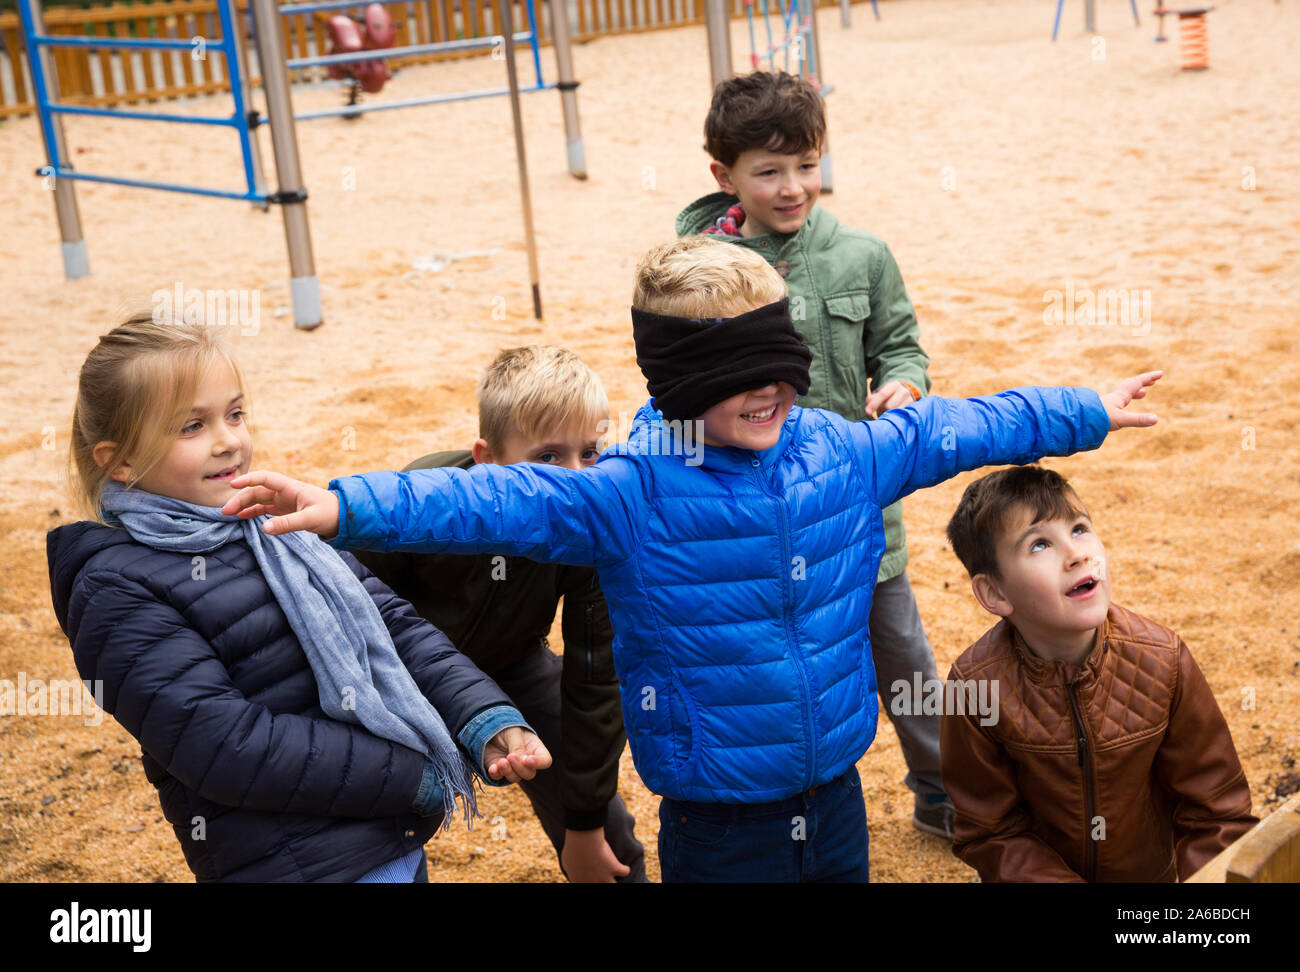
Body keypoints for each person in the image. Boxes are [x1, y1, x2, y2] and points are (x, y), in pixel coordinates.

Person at [221, 238, 1163, 882]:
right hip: (717, 812)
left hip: (833, 781)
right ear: (676, 385)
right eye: (731, 376)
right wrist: (347, 504)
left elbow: (962, 425)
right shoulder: (632, 490)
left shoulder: (843, 450)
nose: (766, 391)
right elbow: (493, 498)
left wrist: (1085, 409)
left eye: (778, 366)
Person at [47, 312, 549, 883]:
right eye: (192, 427)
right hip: (294, 863)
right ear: (119, 460)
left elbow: (392, 628)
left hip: (386, 837)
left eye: (235, 414)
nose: (229, 440)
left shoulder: (270, 524)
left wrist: (484, 715)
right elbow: (225, 746)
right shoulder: (114, 587)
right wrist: (412, 776)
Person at [678, 70, 951, 837]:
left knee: (902, 658)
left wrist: (901, 385)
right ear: (723, 176)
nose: (793, 186)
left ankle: (940, 789)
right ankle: (777, 807)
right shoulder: (702, 271)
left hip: (862, 516)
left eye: (806, 164)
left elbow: (900, 345)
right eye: (768, 171)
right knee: (769, 667)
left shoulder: (862, 256)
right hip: (752, 519)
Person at [350, 345, 646, 883]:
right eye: (549, 457)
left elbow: (594, 674)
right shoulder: (427, 495)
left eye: (591, 452)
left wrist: (584, 825)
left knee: (609, 834)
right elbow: (353, 598)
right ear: (486, 458)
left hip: (514, 662)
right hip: (398, 670)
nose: (575, 478)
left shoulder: (590, 523)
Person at [940, 465, 1257, 882]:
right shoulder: (973, 688)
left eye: (1079, 528)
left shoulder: (1164, 660)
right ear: (995, 593)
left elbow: (1217, 812)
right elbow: (991, 832)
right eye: (1038, 545)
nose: (1077, 554)